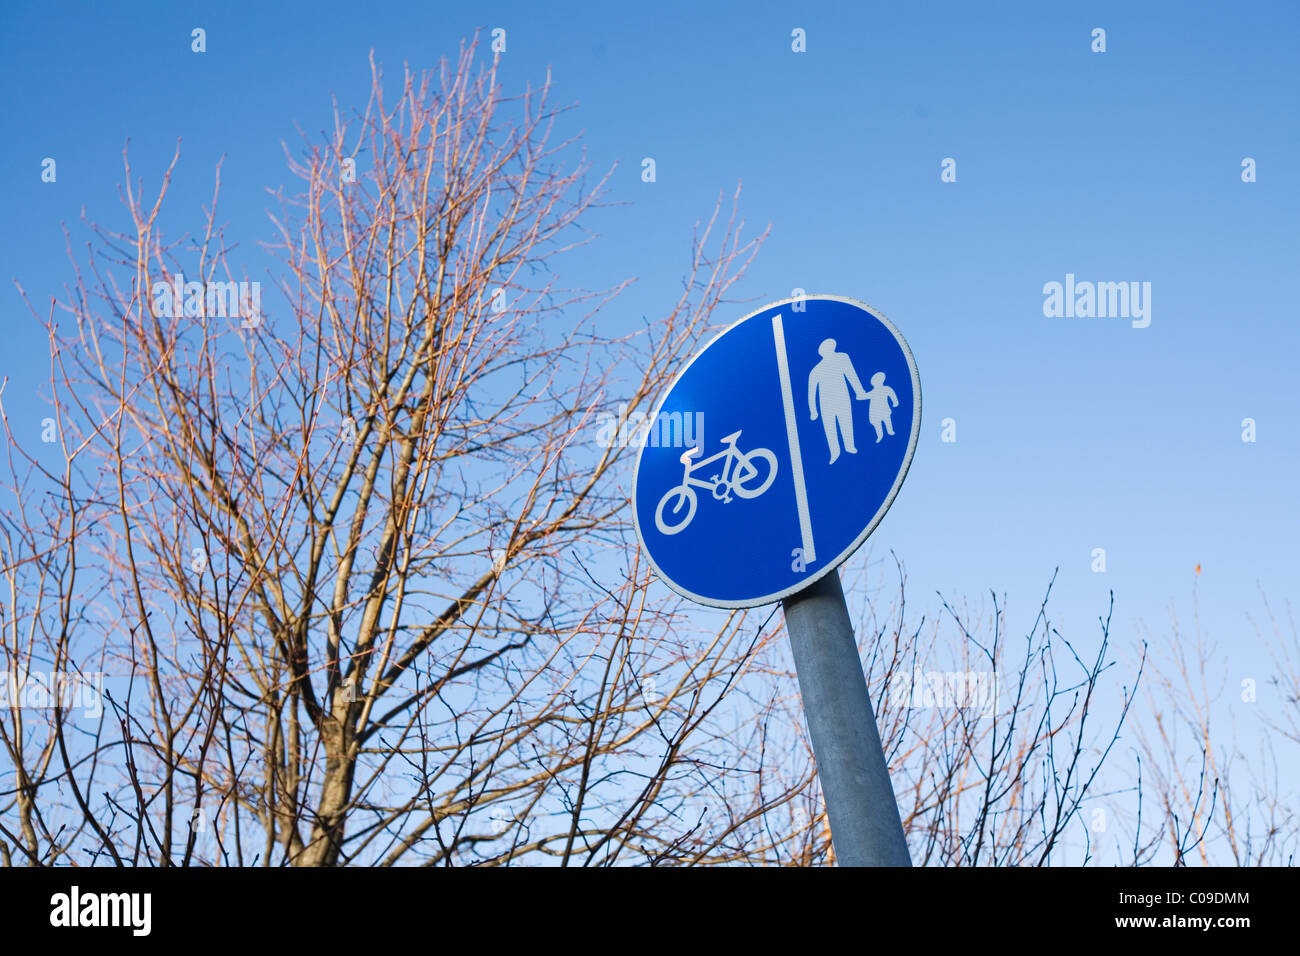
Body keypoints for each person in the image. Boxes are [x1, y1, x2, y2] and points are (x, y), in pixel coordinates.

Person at [807, 338, 867, 463]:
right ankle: (834, 452)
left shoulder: (842, 358)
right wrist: (813, 410)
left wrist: (860, 392)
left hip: (842, 398)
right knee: (830, 427)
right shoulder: (816, 370)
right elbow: (811, 392)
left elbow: (852, 375)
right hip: (825, 403)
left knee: (846, 422)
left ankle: (850, 446)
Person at [864, 371, 899, 442]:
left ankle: (890, 431)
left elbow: (892, 395)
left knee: (887, 420)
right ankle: (880, 435)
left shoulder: (886, 389)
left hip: (884, 410)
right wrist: (860, 395)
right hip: (875, 412)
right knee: (877, 424)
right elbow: (865, 396)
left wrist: (895, 402)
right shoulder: (873, 392)